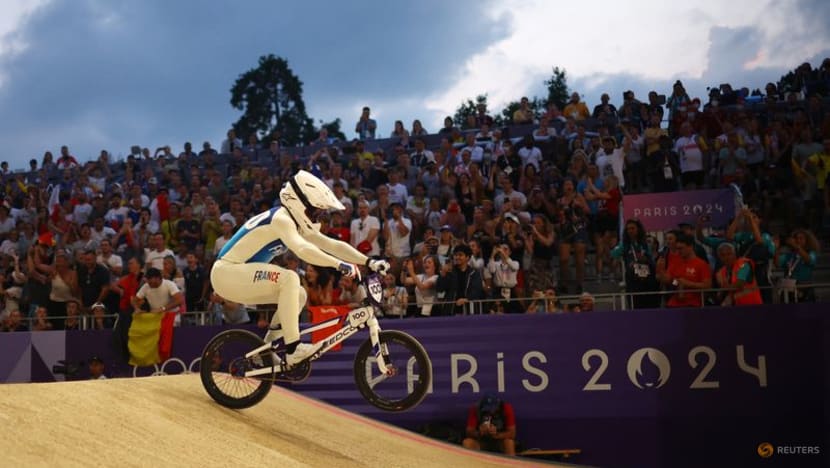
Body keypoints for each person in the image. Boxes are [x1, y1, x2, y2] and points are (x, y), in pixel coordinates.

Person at [210, 170, 390, 368]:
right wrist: (338, 264)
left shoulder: (294, 221)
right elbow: (303, 249)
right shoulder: (281, 219)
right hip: (227, 272)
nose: (316, 217)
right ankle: (294, 348)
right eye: (314, 211)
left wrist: (368, 261)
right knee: (290, 278)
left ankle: (266, 350)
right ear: (298, 202)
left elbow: (330, 244)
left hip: (236, 275)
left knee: (299, 294)